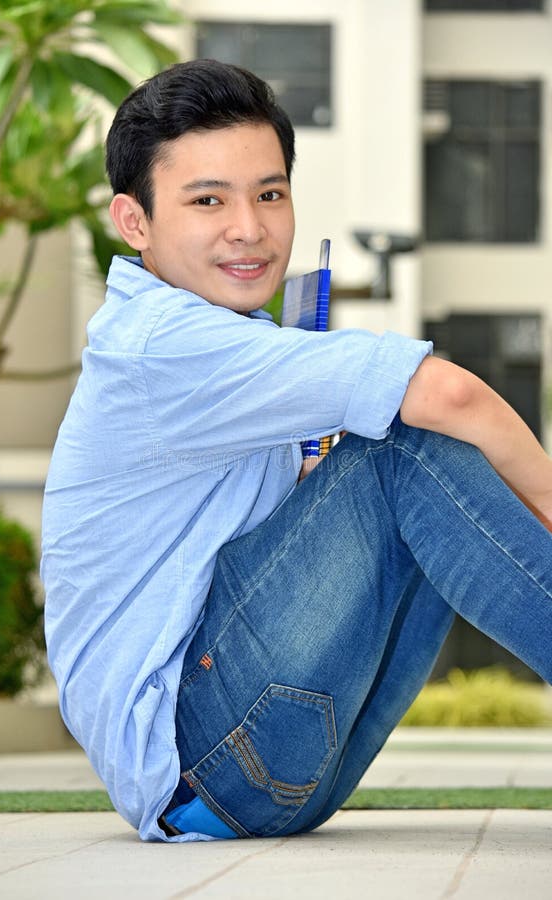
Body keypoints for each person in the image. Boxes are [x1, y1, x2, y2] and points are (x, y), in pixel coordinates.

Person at [41, 59, 552, 843]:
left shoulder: (216, 340)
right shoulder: (159, 343)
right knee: (408, 437)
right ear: (134, 221)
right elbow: (451, 395)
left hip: (257, 771)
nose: (249, 228)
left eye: (269, 194)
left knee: (395, 441)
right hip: (204, 756)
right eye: (208, 200)